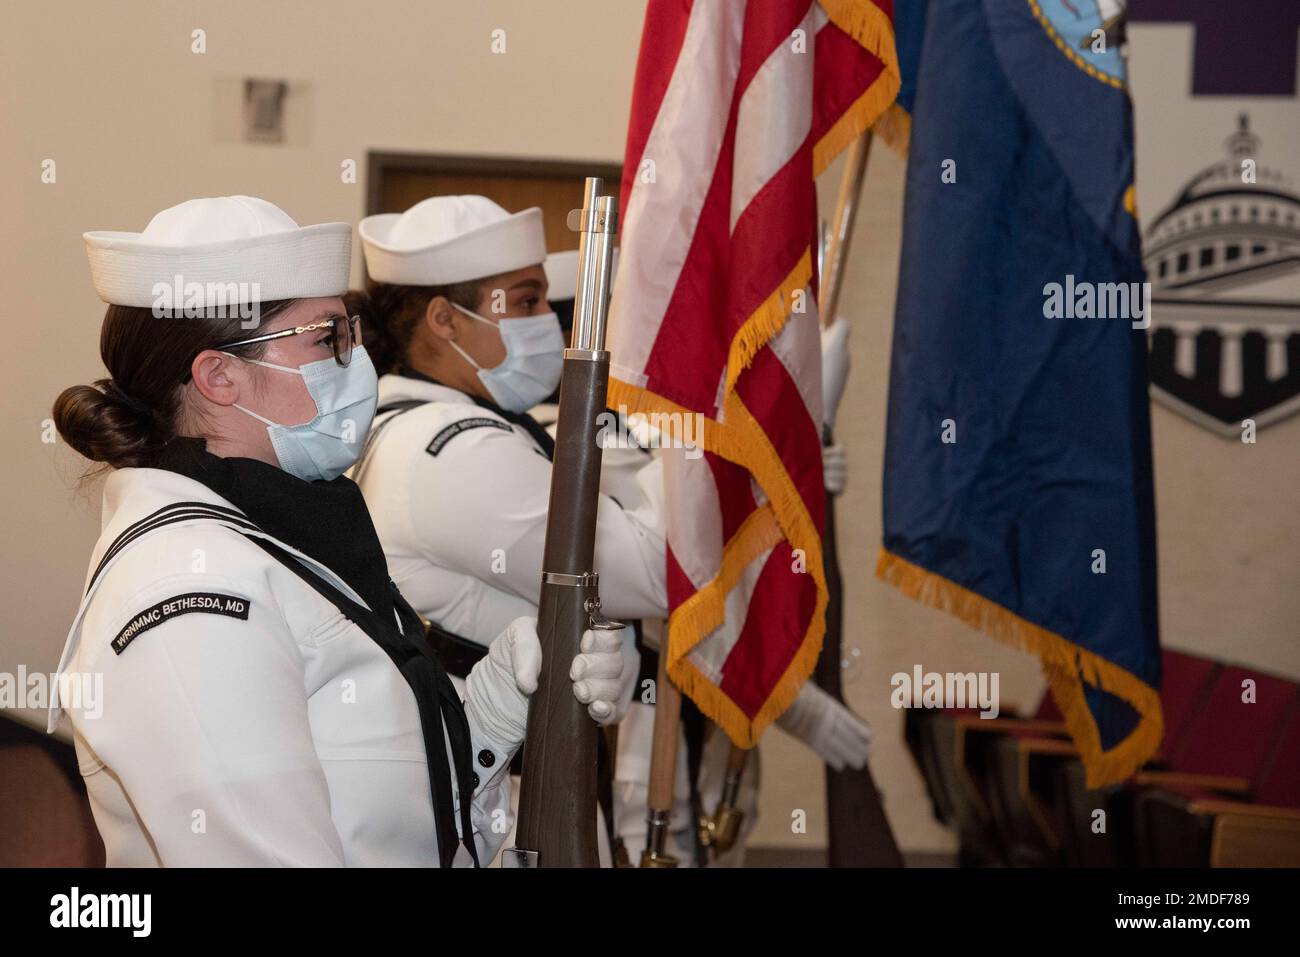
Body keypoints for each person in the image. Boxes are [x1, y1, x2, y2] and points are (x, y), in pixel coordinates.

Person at [46, 195, 627, 867]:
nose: (360, 363)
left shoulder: (287, 529)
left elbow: (380, 800)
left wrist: (496, 706)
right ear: (220, 375)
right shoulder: (192, 588)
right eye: (328, 339)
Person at [350, 196, 872, 866]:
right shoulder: (451, 451)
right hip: (503, 794)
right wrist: (766, 439)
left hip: (524, 775)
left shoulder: (433, 428)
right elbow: (659, 571)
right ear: (445, 319)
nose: (549, 322)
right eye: (528, 300)